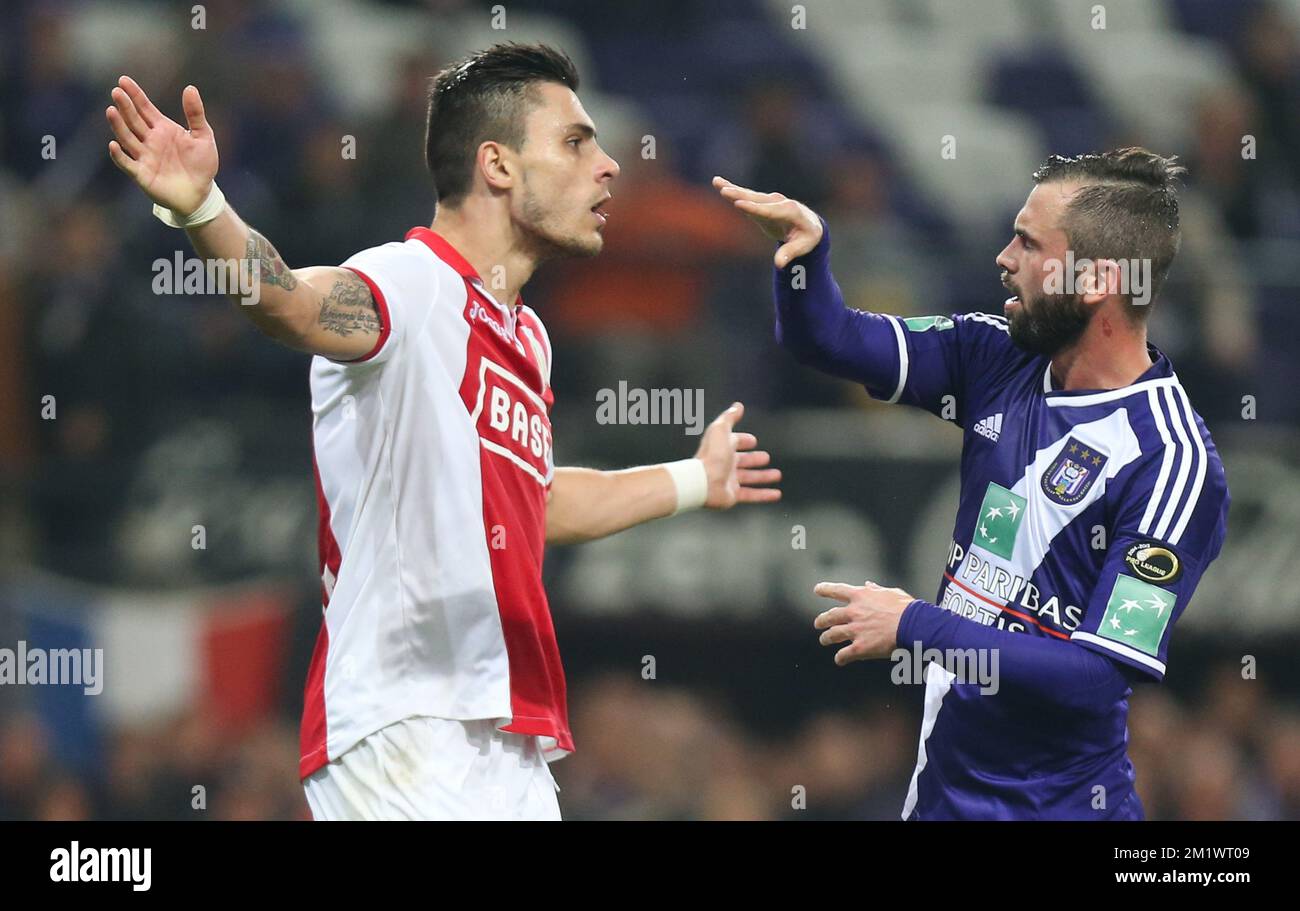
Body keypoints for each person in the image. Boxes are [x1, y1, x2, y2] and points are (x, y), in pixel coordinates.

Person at [105, 42, 782, 820]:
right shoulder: (413, 281)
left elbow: (535, 503)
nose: (608, 165)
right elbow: (287, 300)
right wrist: (202, 208)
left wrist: (696, 477)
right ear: (496, 165)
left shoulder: (528, 337)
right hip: (405, 722)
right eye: (574, 140)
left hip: (508, 742)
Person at [715, 147, 1230, 820]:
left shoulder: (1171, 461)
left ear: (1100, 278)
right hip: (941, 799)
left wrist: (915, 624)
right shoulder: (994, 354)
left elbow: (1095, 678)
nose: (1002, 257)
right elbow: (830, 340)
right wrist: (805, 259)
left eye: (1027, 241)